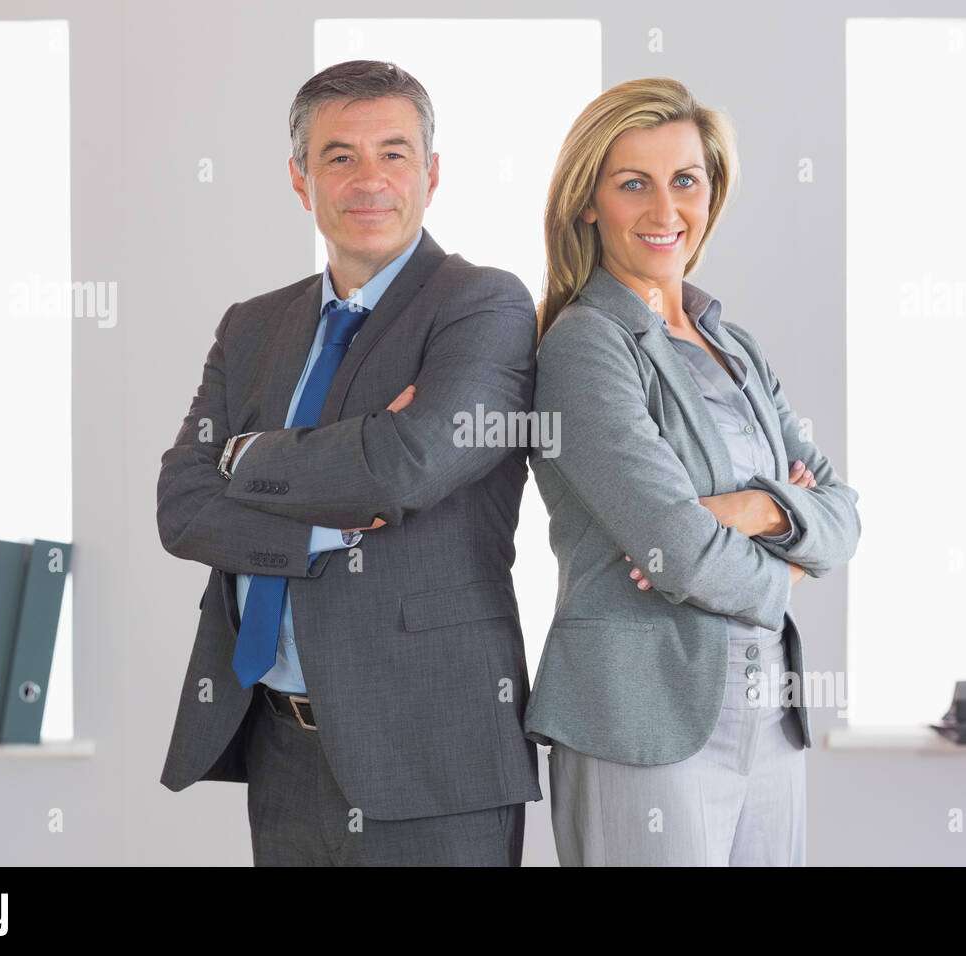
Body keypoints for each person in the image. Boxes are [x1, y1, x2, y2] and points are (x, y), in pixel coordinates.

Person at [157, 59, 540, 866]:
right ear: (301, 181)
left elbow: (410, 464)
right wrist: (319, 527)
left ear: (431, 174)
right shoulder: (253, 326)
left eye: (394, 153)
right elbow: (183, 503)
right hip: (279, 744)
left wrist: (248, 457)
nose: (370, 180)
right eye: (340, 157)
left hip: (434, 754)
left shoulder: (485, 305)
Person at [524, 77, 861, 866]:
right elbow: (676, 545)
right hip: (639, 715)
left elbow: (843, 515)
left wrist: (748, 507)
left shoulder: (732, 343)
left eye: (686, 181)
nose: (664, 209)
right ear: (587, 203)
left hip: (767, 706)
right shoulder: (584, 347)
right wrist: (789, 559)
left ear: (712, 192)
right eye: (632, 183)